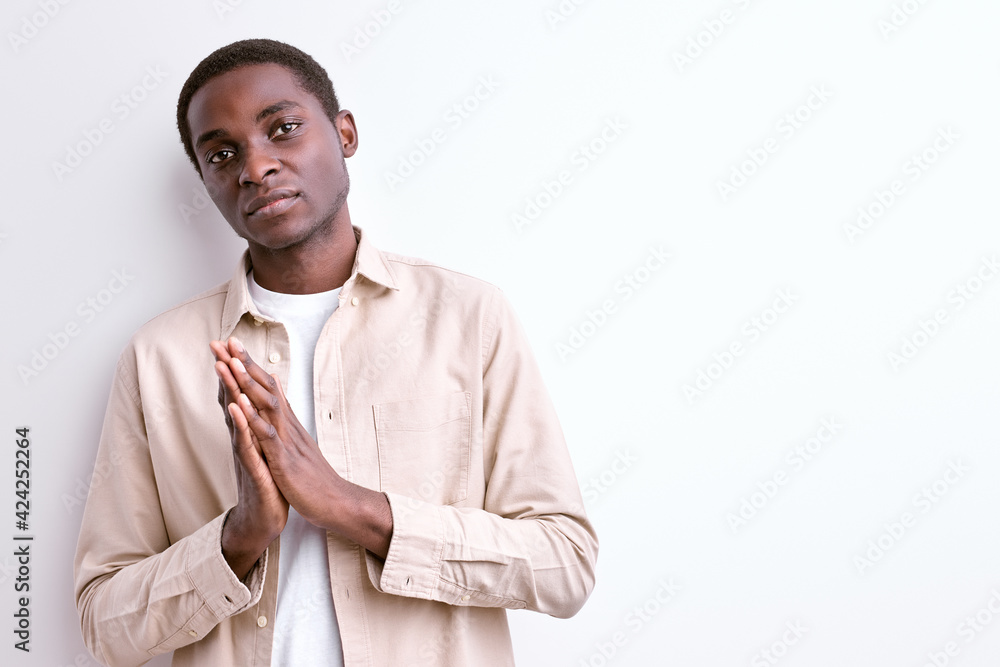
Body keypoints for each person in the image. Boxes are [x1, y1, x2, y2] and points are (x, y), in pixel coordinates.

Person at [73, 38, 597, 667]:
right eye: (222, 153)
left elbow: (564, 565)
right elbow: (104, 625)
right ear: (208, 182)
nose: (256, 167)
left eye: (284, 129)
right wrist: (238, 539)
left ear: (344, 133)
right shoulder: (160, 357)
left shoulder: (467, 317)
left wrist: (351, 507)